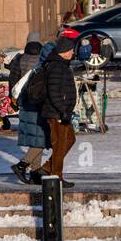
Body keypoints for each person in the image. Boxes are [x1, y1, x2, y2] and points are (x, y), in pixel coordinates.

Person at [8, 32, 48, 183]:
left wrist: (14, 99)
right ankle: (22, 165)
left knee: (35, 138)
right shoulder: (43, 58)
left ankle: (35, 173)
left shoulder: (20, 58)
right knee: (42, 138)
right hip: (40, 102)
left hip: (25, 102)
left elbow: (13, 79)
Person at [40, 39, 78, 186]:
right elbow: (54, 92)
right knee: (60, 144)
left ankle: (47, 167)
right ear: (64, 51)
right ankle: (56, 176)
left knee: (70, 139)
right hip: (56, 113)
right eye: (71, 50)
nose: (73, 52)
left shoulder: (62, 65)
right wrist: (62, 111)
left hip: (61, 111)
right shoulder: (56, 66)